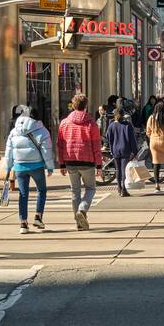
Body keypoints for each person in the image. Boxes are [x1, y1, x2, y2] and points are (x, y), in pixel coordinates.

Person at [5, 105, 55, 233]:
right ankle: (38, 217)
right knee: (42, 190)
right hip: (37, 165)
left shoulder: (14, 130)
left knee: (23, 194)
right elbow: (46, 150)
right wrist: (50, 167)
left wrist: (8, 166)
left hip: (19, 166)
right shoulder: (42, 130)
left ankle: (23, 223)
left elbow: (9, 150)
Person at [57, 93, 102, 229]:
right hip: (87, 161)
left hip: (70, 161)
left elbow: (60, 144)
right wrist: (99, 165)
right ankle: (82, 209)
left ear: (73, 105)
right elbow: (96, 145)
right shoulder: (91, 123)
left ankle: (79, 223)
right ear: (85, 106)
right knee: (91, 188)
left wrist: (61, 164)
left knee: (75, 191)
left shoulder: (64, 123)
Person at [106, 107, 138, 197]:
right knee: (124, 170)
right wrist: (135, 151)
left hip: (115, 149)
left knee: (118, 170)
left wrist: (111, 147)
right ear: (124, 115)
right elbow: (132, 139)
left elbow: (108, 138)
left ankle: (119, 188)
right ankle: (124, 189)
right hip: (125, 149)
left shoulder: (111, 125)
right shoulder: (128, 125)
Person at [145, 103, 164, 192]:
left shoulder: (151, 118)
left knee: (156, 163)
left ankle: (157, 184)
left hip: (154, 141)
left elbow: (148, 131)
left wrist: (152, 137)